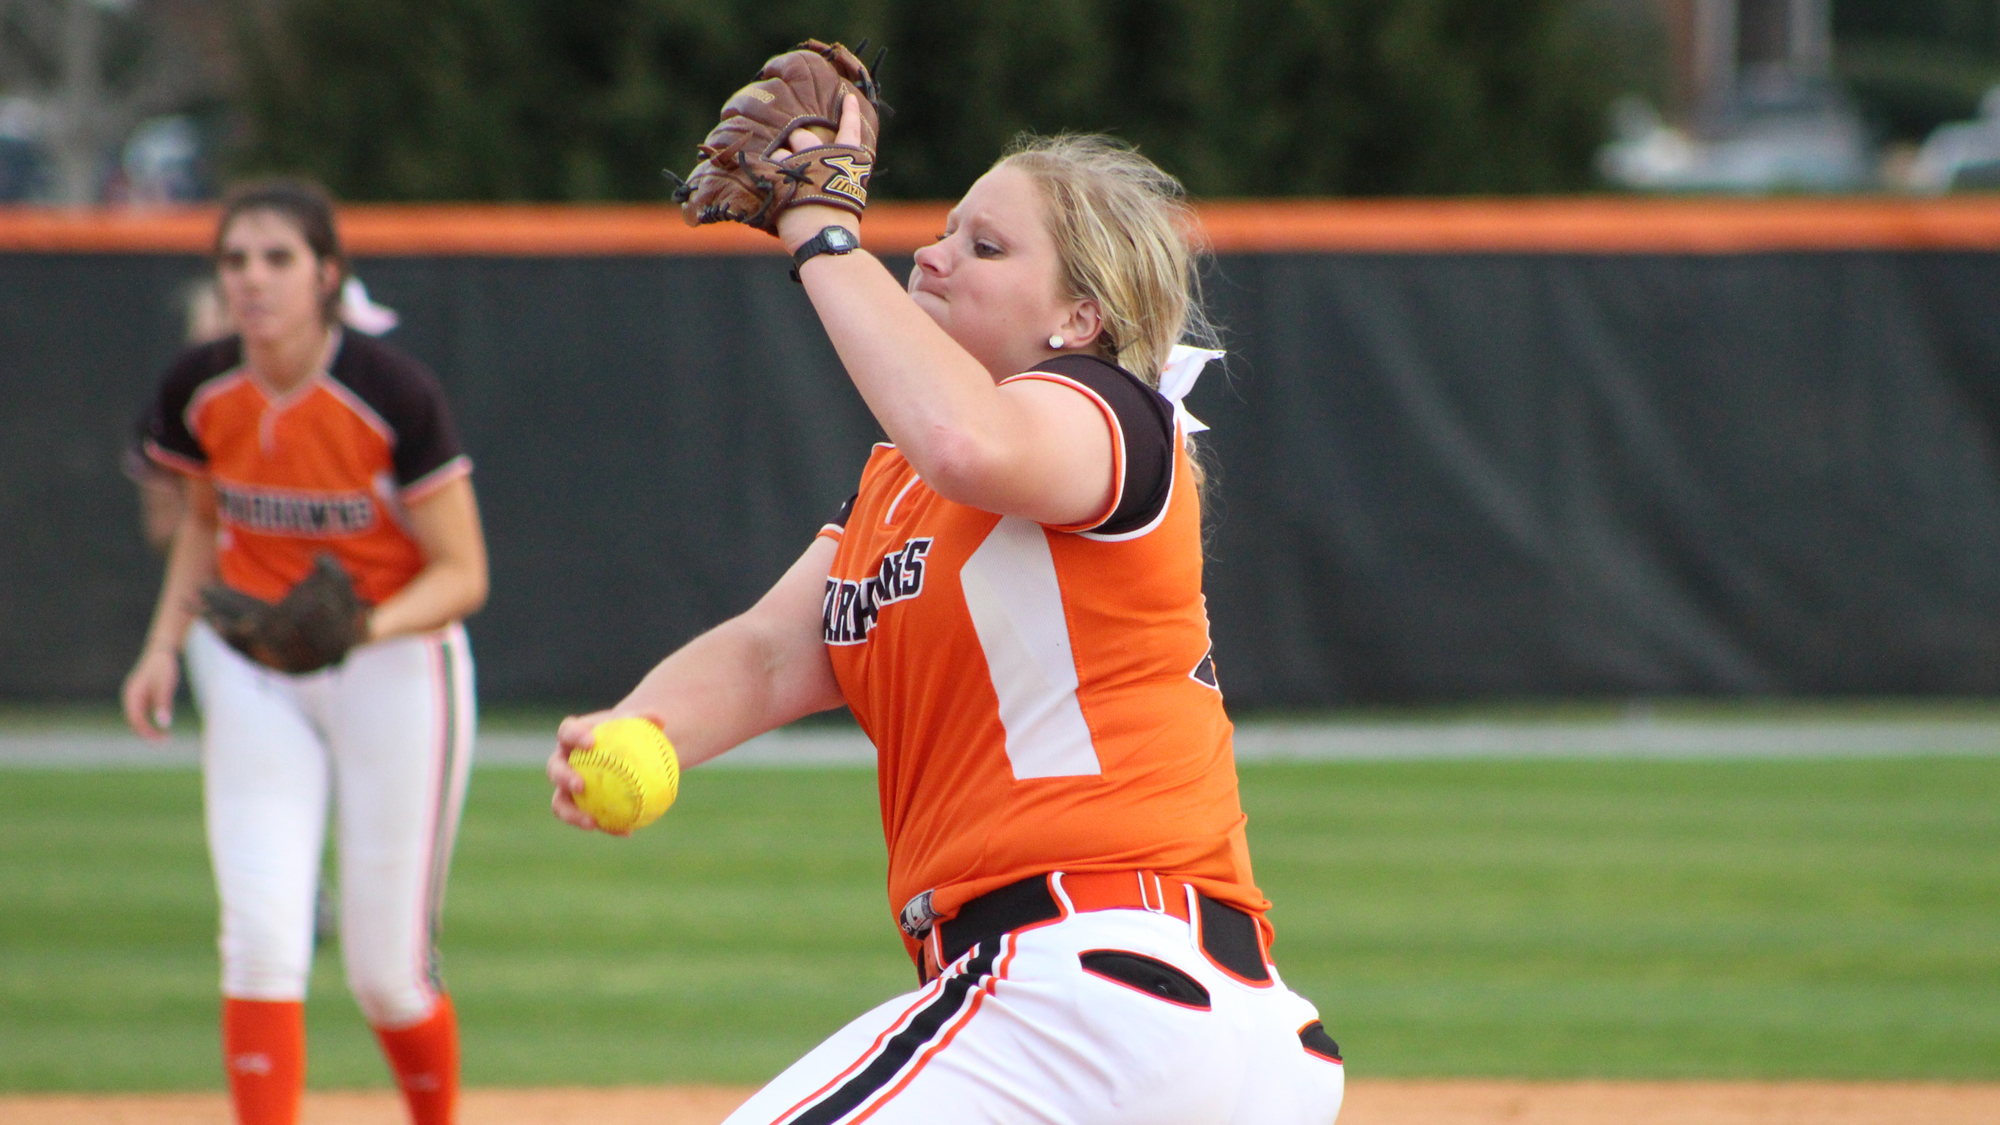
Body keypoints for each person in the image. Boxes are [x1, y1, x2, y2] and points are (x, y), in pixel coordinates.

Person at [548, 96, 1344, 1124]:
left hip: (1090, 994)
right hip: (1153, 1026)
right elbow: (770, 655)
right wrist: (641, 728)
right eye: (941, 229)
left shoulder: (1113, 413)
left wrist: (822, 233)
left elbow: (970, 443)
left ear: (1079, 318)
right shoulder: (900, 489)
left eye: (985, 244)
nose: (930, 255)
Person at [120, 178, 488, 1125]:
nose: (253, 279)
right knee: (259, 937)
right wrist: (163, 645)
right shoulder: (201, 386)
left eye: (278, 258)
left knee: (387, 974)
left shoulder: (391, 393)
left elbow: (462, 573)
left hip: (391, 665)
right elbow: (203, 519)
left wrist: (361, 626)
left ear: (327, 274)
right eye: (236, 260)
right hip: (250, 662)